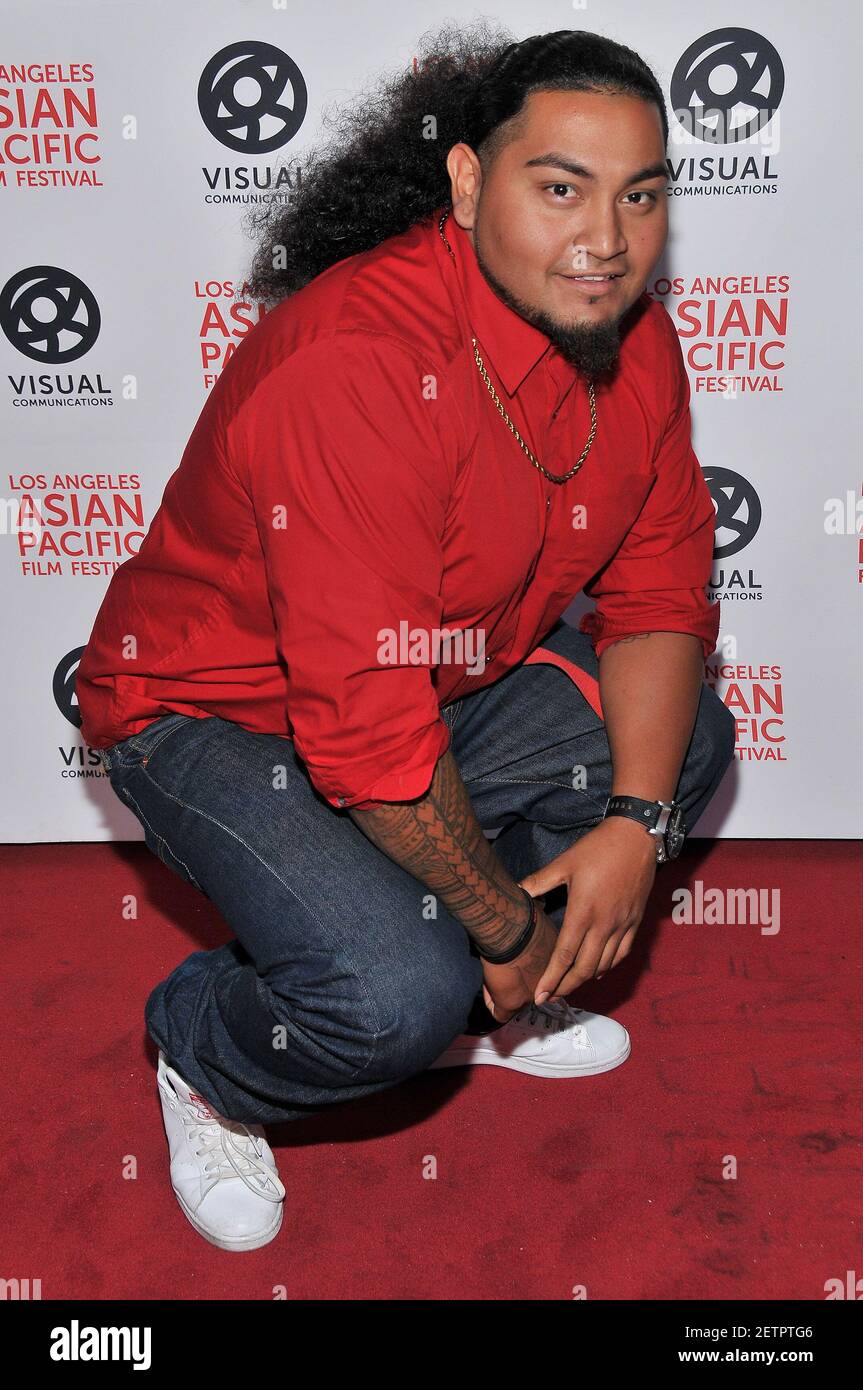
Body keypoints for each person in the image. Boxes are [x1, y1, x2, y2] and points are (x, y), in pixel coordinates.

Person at [77, 25, 736, 1251]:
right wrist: (505, 933)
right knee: (393, 998)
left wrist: (636, 831)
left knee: (677, 734)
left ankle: (463, 964)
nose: (605, 240)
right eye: (559, 189)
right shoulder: (362, 368)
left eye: (638, 196)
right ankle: (204, 1049)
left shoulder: (627, 335)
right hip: (210, 716)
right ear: (469, 183)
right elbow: (367, 742)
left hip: (422, 696)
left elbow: (657, 600)